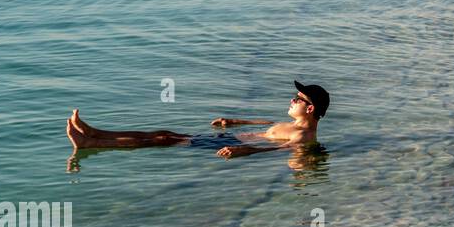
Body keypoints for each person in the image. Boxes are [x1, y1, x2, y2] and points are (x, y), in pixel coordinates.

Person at [66, 82, 329, 159]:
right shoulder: (291, 126)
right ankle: (94, 132)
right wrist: (233, 121)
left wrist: (243, 150)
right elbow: (263, 125)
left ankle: (91, 143)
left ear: (310, 108)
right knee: (164, 133)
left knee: (163, 140)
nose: (292, 100)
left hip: (228, 146)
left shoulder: (303, 136)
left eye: (298, 98)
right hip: (229, 138)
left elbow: (275, 150)